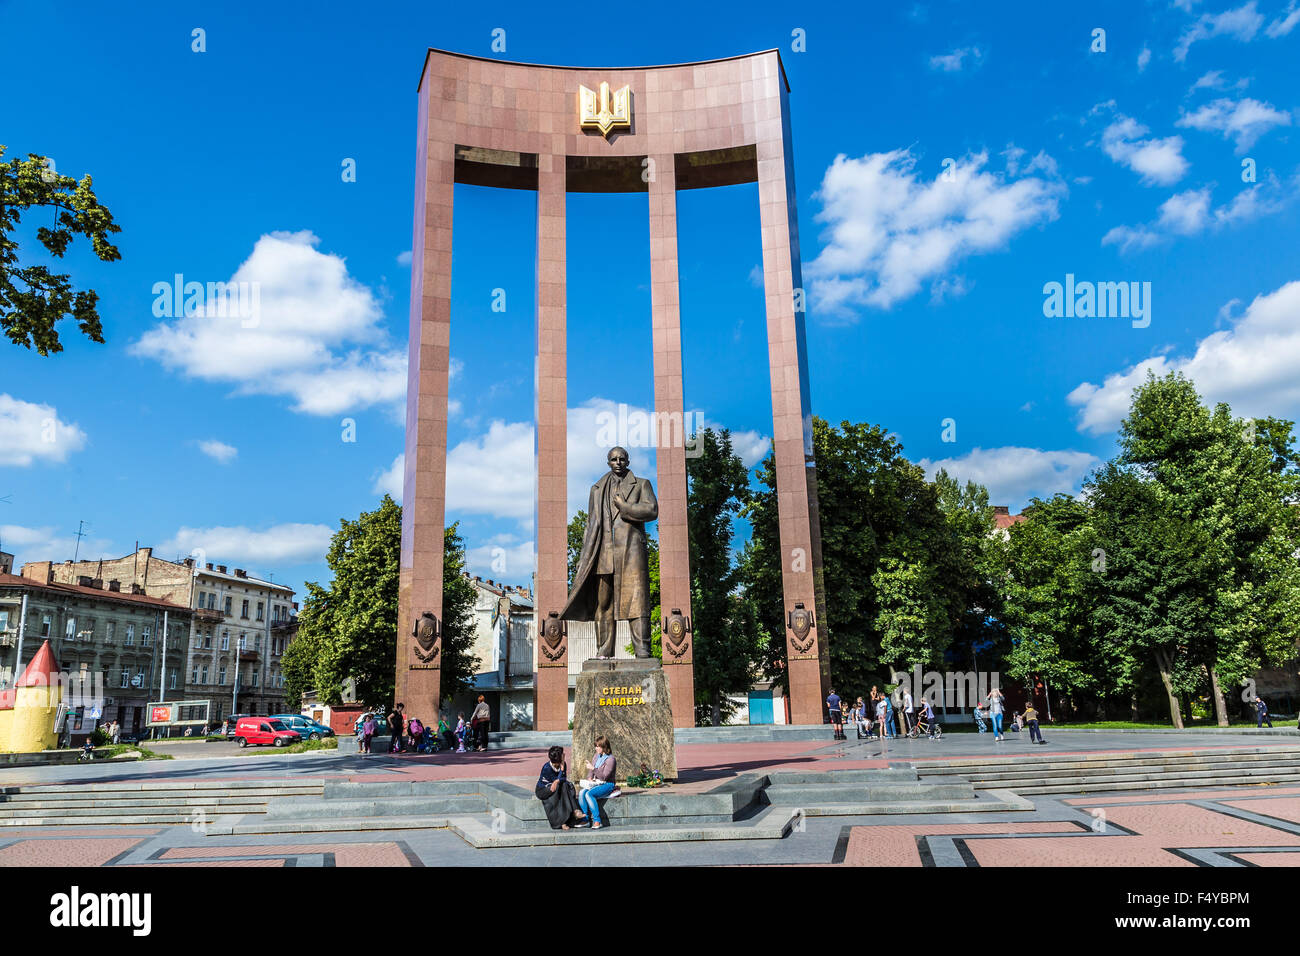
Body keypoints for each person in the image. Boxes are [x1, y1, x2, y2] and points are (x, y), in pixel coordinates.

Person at [535, 745, 587, 830]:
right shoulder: (546, 768)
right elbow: (553, 786)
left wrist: (560, 774)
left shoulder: (563, 764)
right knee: (562, 787)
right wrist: (559, 776)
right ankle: (572, 813)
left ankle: (572, 815)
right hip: (543, 790)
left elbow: (563, 778)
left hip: (557, 787)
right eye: (562, 754)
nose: (564, 755)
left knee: (565, 785)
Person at [578, 734, 619, 828]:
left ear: (604, 747)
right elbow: (591, 772)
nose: (596, 748)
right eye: (595, 746)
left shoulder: (611, 759)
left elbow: (604, 777)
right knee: (581, 793)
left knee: (589, 794)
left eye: (598, 746)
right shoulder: (596, 756)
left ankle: (597, 821)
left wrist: (593, 768)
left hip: (608, 784)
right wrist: (589, 778)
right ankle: (585, 819)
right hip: (596, 783)